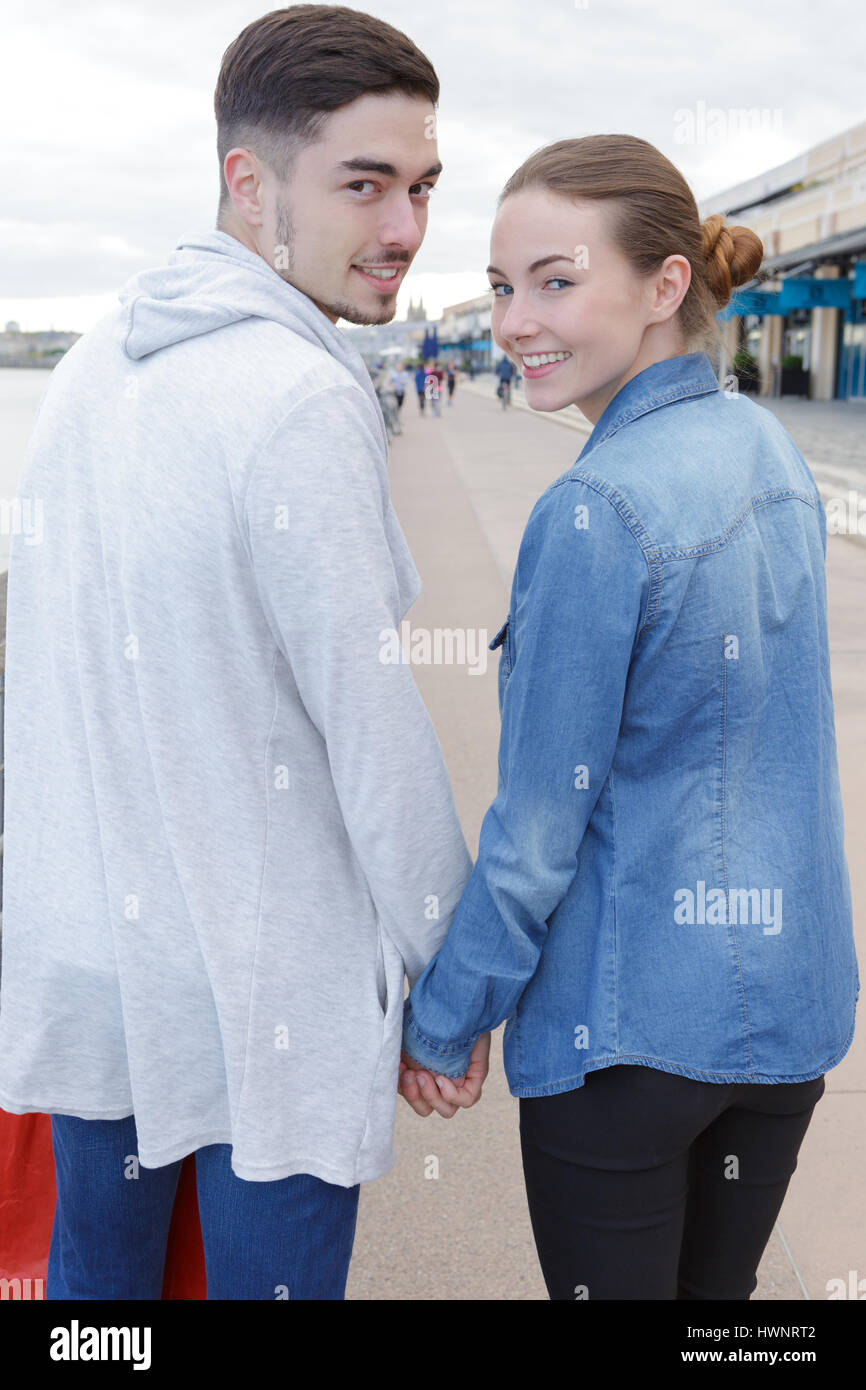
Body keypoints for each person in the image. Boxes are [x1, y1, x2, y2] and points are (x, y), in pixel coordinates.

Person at [0, 4, 473, 1301]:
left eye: (422, 188)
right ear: (247, 183)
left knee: (102, 1299)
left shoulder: (96, 364)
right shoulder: (300, 395)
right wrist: (453, 973)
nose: (403, 230)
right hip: (269, 988)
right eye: (364, 184)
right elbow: (371, 738)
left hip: (102, 955)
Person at [399, 133, 859, 1300]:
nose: (511, 322)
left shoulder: (596, 507)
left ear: (664, 286)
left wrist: (445, 1019)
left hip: (629, 1036)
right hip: (785, 1014)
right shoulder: (762, 444)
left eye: (555, 281)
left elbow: (538, 830)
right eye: (502, 288)